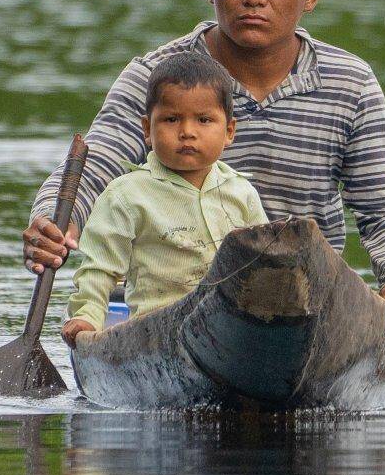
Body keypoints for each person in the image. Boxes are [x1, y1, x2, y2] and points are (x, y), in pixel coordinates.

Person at [25, 0, 385, 343]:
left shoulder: (350, 84)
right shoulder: (157, 76)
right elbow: (93, 168)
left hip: (304, 304)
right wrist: (54, 222)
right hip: (174, 301)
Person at [59, 56, 268, 344]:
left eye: (204, 120)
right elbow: (99, 268)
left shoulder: (242, 192)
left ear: (229, 131)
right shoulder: (127, 196)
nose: (187, 132)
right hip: (156, 336)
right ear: (147, 129)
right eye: (171, 119)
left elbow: (263, 265)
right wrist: (88, 317)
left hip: (229, 332)